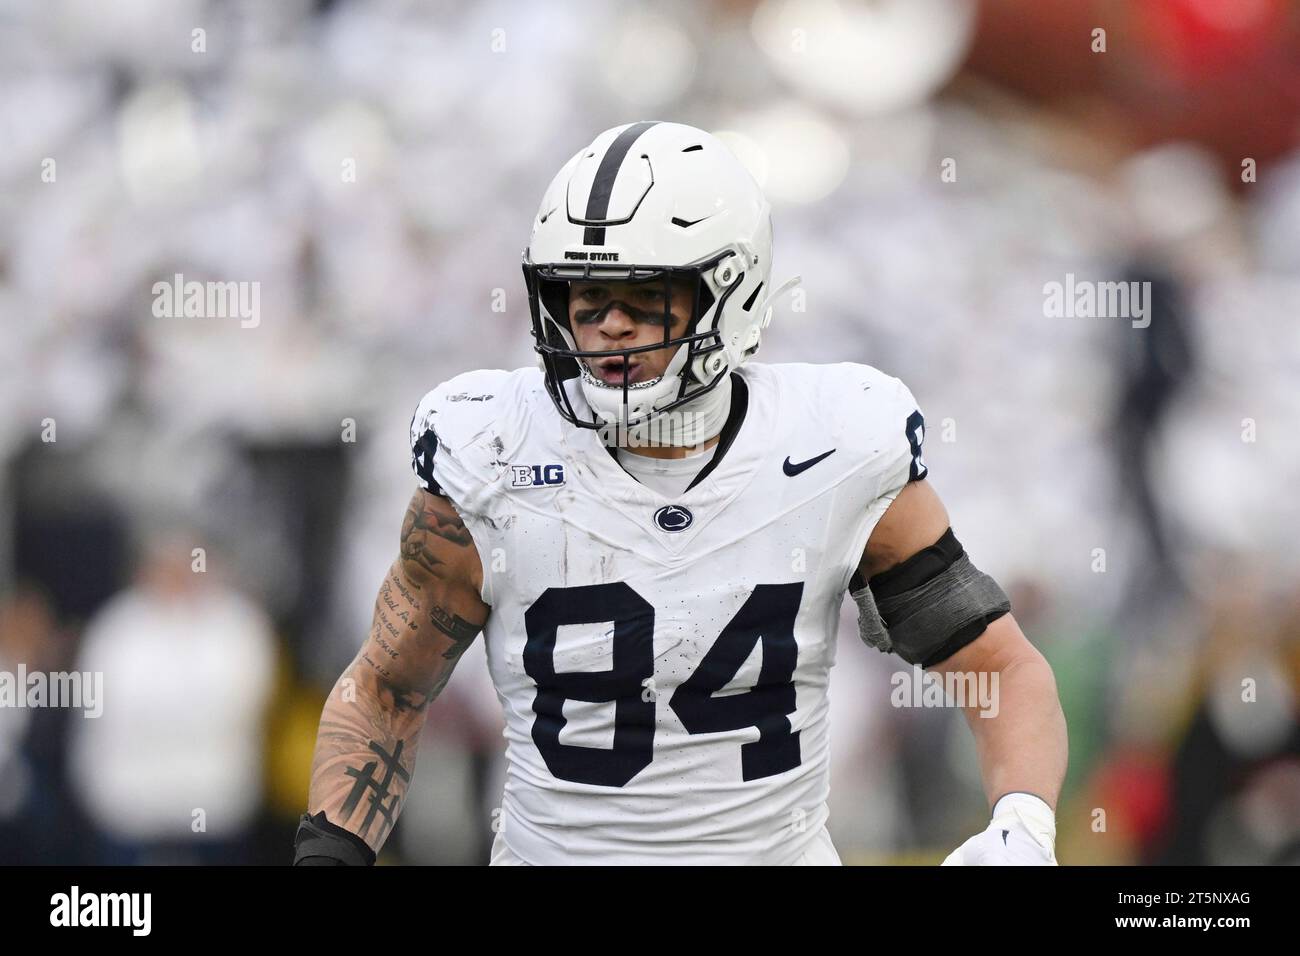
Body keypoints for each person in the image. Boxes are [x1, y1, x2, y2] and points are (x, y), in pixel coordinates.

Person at [296, 121, 1068, 866]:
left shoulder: (838, 445)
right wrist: (330, 854)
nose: (610, 330)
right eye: (586, 300)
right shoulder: (489, 452)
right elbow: (387, 688)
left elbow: (1000, 668)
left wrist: (1022, 823)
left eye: (645, 297)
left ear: (731, 293)